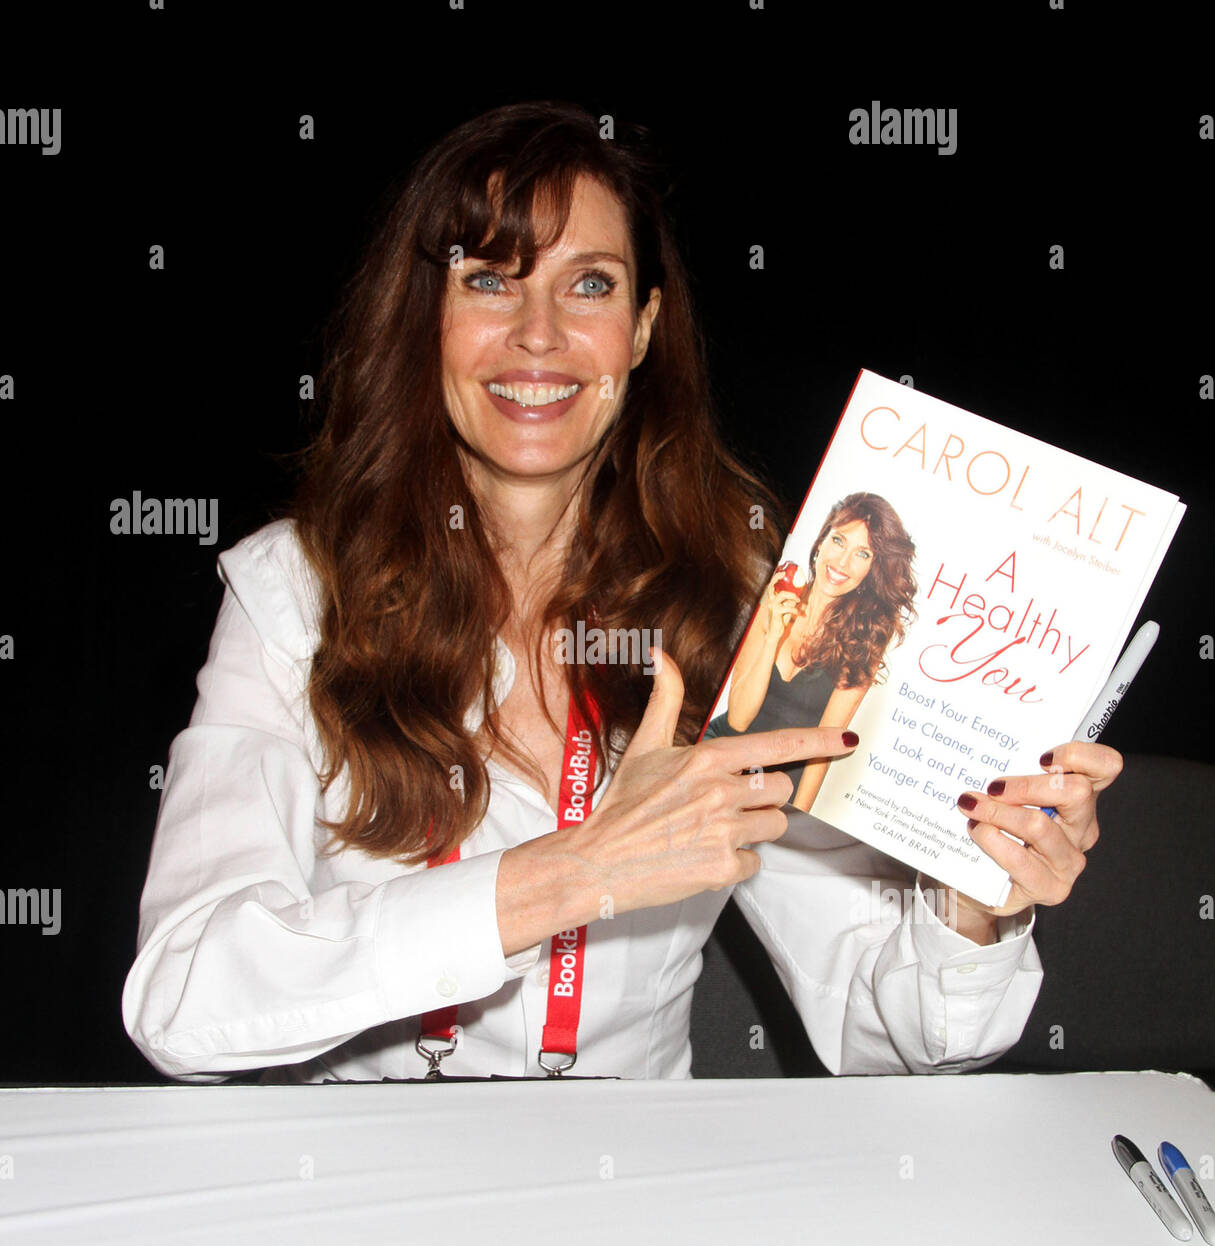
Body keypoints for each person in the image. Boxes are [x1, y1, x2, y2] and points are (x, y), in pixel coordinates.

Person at [122, 100, 1120, 1084]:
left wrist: (972, 896)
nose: (539, 334)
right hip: (353, 1194)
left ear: (642, 331)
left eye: (589, 284)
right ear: (429, 316)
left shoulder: (736, 613)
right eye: (489, 281)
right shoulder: (293, 592)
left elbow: (881, 1021)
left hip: (630, 1200)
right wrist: (576, 870)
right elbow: (184, 998)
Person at [703, 493, 916, 813]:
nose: (842, 562)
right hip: (721, 752)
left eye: (862, 553)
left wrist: (797, 820)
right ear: (821, 541)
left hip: (776, 784)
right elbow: (738, 718)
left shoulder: (864, 641)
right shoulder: (777, 595)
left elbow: (824, 750)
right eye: (839, 540)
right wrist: (773, 633)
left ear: (872, 570)